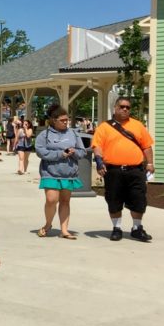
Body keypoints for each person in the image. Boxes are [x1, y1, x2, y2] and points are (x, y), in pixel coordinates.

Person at [91, 97, 155, 242]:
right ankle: (117, 228)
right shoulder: (104, 127)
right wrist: (100, 162)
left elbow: (146, 146)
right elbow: (97, 146)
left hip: (136, 170)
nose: (125, 109)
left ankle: (137, 228)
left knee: (138, 199)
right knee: (114, 200)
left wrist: (150, 163)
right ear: (115, 107)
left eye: (127, 107)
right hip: (113, 171)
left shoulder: (138, 125)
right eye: (122, 106)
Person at [34, 105, 87, 239]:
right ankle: (48, 224)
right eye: (62, 120)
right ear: (53, 120)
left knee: (65, 201)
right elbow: (41, 152)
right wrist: (60, 154)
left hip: (68, 174)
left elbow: (82, 152)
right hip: (50, 172)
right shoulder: (44, 135)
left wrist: (74, 152)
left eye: (67, 120)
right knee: (51, 200)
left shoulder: (73, 133)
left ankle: (64, 230)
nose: (65, 122)